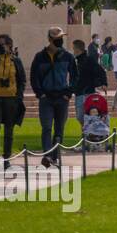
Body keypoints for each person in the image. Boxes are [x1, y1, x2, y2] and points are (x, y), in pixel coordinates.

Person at [30, 28, 77, 168]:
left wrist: (68, 93)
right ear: (50, 39)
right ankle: (47, 155)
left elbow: (75, 76)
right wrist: (40, 93)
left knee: (59, 129)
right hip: (46, 98)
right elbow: (34, 77)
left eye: (61, 37)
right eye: (58, 38)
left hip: (62, 97)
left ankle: (55, 157)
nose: (60, 40)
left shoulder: (68, 56)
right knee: (46, 127)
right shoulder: (40, 57)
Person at [0, 35, 24, 170]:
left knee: (9, 129)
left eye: (1, 44)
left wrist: (19, 96)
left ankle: (6, 158)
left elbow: (22, 80)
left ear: (9, 45)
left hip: (11, 99)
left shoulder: (16, 61)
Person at [72, 39, 107, 126]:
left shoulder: (89, 59)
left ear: (77, 49)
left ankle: (88, 133)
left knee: (89, 114)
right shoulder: (75, 61)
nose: (73, 50)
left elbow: (101, 71)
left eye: (73, 48)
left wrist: (104, 83)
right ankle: (85, 131)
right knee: (79, 116)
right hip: (79, 92)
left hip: (89, 92)